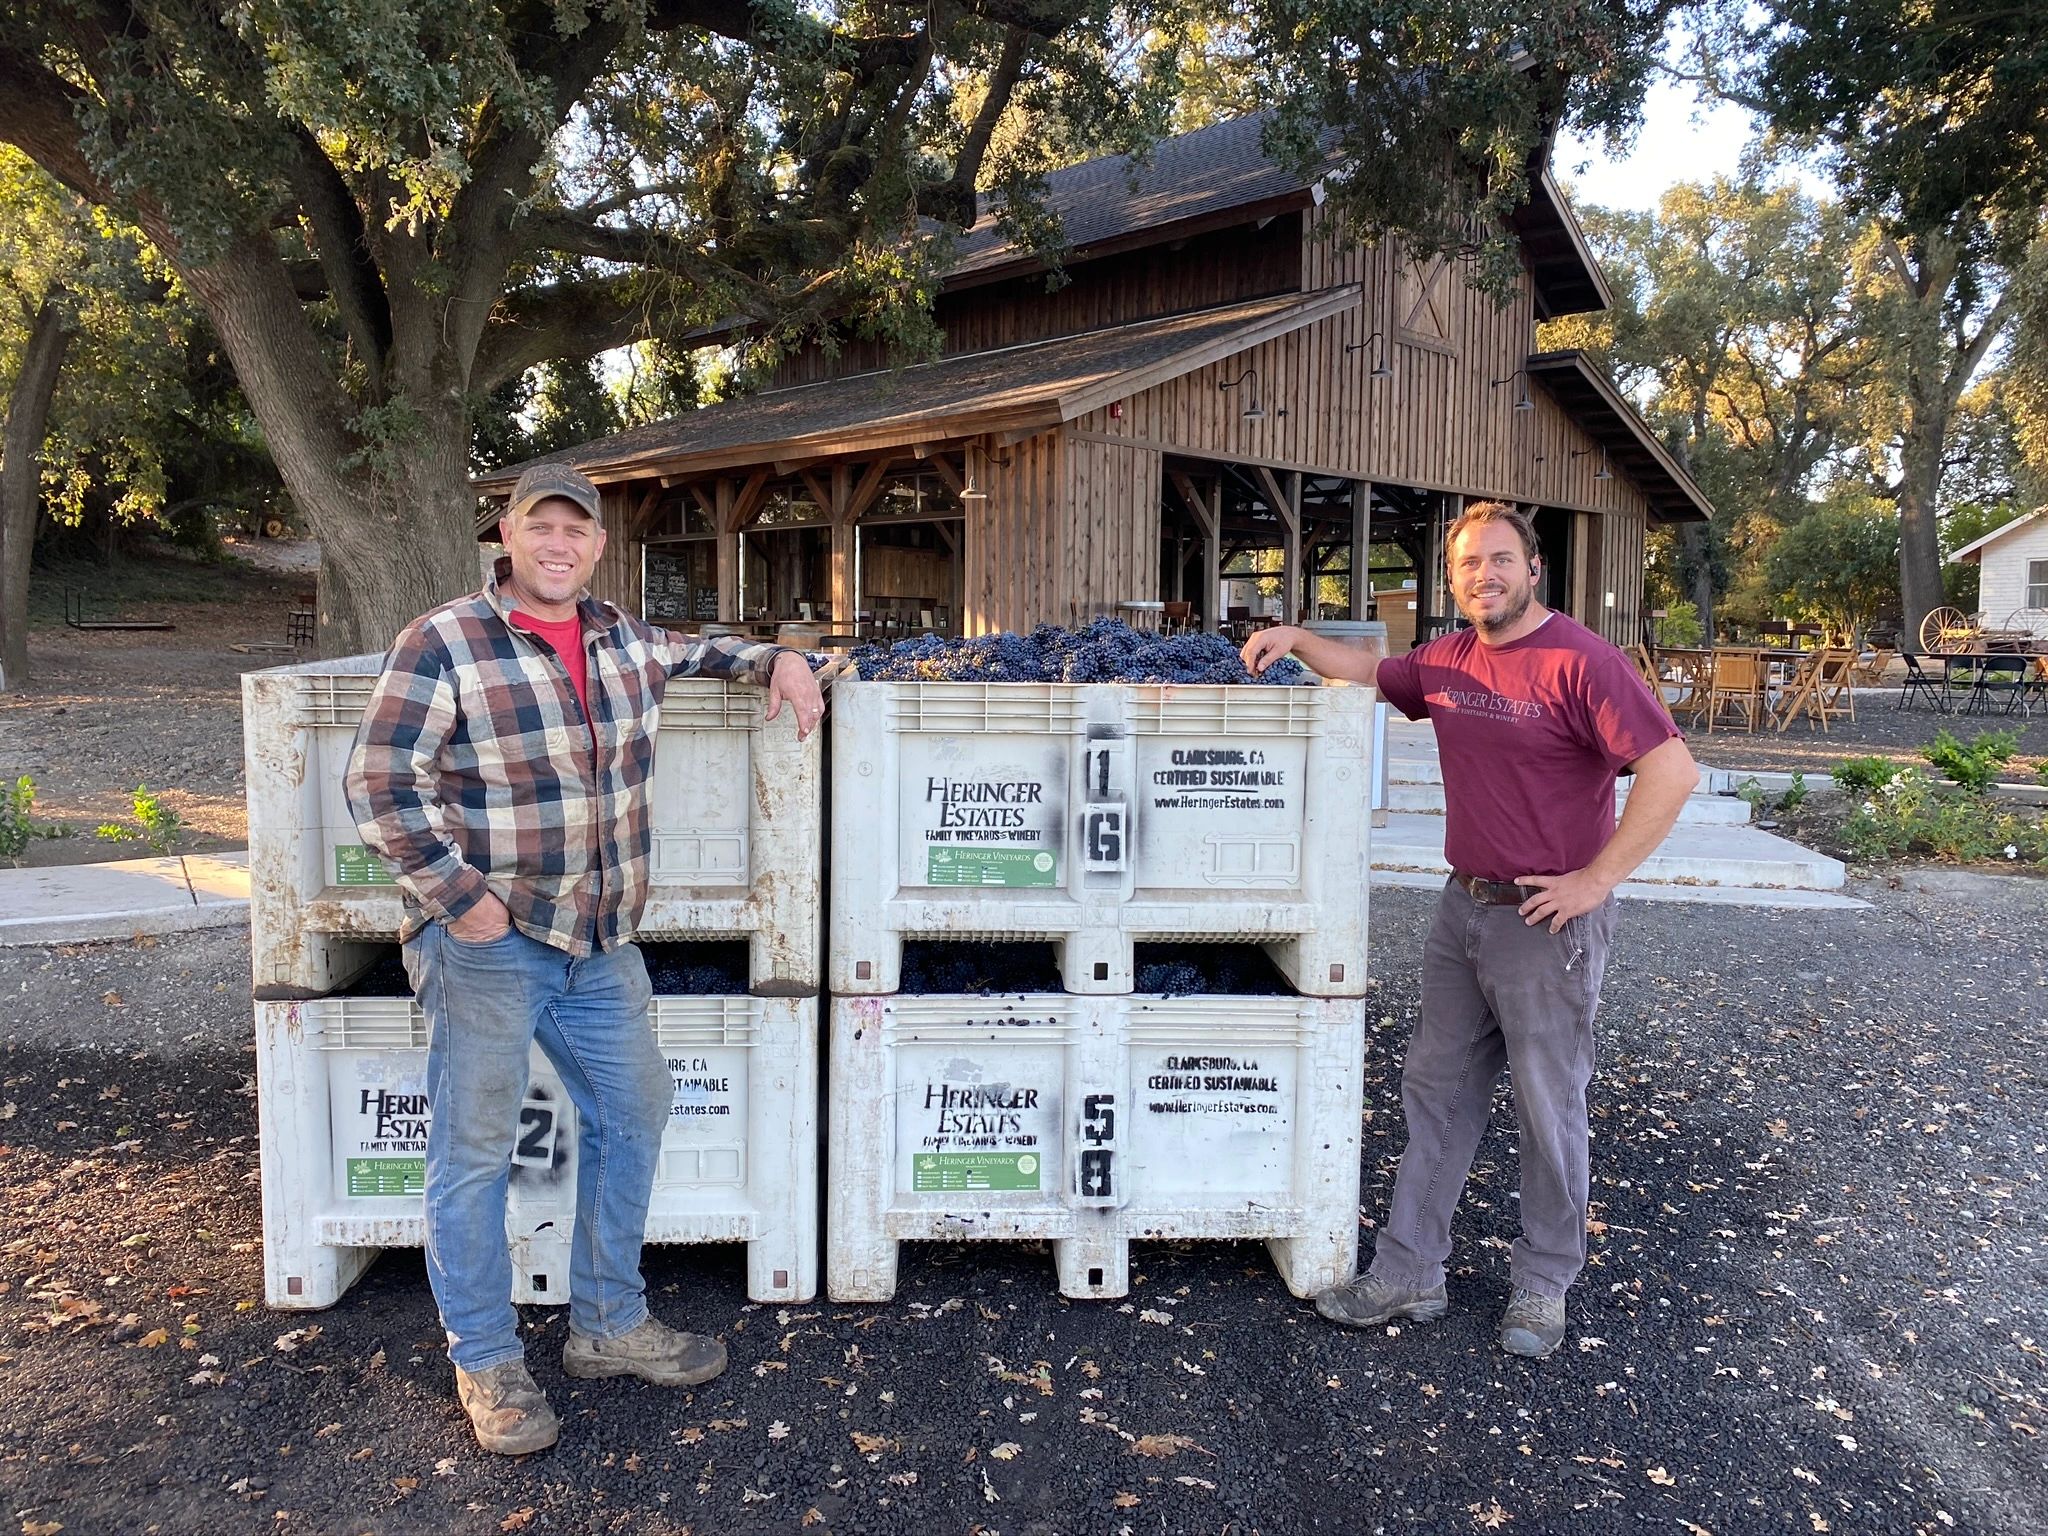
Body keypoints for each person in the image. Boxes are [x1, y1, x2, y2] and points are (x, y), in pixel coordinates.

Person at [345, 461, 824, 1453]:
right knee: (472, 1157)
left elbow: (709, 651)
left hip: (597, 943)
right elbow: (381, 782)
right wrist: (462, 903)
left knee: (635, 1106)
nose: (558, 545)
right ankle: (487, 1360)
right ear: (507, 539)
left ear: (598, 544)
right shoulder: (445, 640)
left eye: (575, 530)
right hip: (488, 945)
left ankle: (606, 1325)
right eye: (539, 528)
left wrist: (780, 657)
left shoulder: (622, 638)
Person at [1244, 500, 1698, 1358]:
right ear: (1454, 582)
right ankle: (1412, 1270)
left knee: (1548, 1105)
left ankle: (1542, 1285)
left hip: (1543, 921)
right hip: (1464, 911)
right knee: (1436, 1091)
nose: (1482, 575)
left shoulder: (1585, 663)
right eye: (1466, 565)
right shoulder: (1449, 661)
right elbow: (1373, 671)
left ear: (1532, 569)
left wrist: (1597, 879)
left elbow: (1671, 772)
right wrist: (1298, 637)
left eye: (1498, 559)